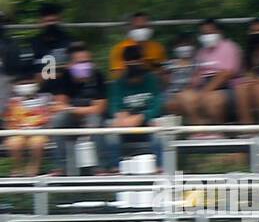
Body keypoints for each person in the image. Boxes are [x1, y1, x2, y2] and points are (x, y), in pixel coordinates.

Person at [46, 42, 107, 174]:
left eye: (88, 61)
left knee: (95, 120)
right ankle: (62, 166)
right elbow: (59, 107)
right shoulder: (63, 78)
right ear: (70, 65)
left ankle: (100, 168)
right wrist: (78, 110)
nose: (86, 65)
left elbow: (99, 109)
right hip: (72, 118)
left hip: (93, 118)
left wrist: (71, 108)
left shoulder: (98, 76)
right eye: (81, 62)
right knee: (58, 120)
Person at [102, 44, 165, 171]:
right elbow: (114, 106)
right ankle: (114, 168)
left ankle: (160, 167)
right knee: (110, 128)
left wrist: (142, 116)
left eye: (137, 59)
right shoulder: (118, 83)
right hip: (125, 123)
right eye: (130, 60)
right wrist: (120, 116)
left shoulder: (152, 79)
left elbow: (158, 104)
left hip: (147, 122)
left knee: (160, 127)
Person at [173, 19, 242, 126]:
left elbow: (226, 74)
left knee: (212, 99)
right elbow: (197, 74)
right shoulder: (202, 52)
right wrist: (191, 87)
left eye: (210, 33)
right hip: (204, 86)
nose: (207, 36)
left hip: (226, 87)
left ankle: (219, 131)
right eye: (204, 33)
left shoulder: (229, 47)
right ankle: (199, 129)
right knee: (184, 96)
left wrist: (205, 91)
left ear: (219, 32)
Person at [4, 72, 53, 176]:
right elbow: (8, 120)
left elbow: (49, 116)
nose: (26, 86)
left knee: (37, 143)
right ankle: (17, 169)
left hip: (39, 132)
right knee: (14, 143)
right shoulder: (12, 101)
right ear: (15, 86)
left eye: (29, 83)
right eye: (22, 84)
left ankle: (34, 169)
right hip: (18, 132)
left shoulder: (46, 98)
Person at [108, 11, 167, 78]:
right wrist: (134, 67)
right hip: (128, 85)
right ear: (130, 28)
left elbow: (163, 72)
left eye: (144, 27)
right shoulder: (119, 49)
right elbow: (116, 75)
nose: (141, 30)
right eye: (137, 27)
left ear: (151, 28)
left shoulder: (158, 47)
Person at [29, 2, 73, 66]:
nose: (51, 24)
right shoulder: (34, 42)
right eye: (48, 21)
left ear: (60, 21)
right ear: (41, 22)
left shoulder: (69, 40)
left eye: (54, 20)